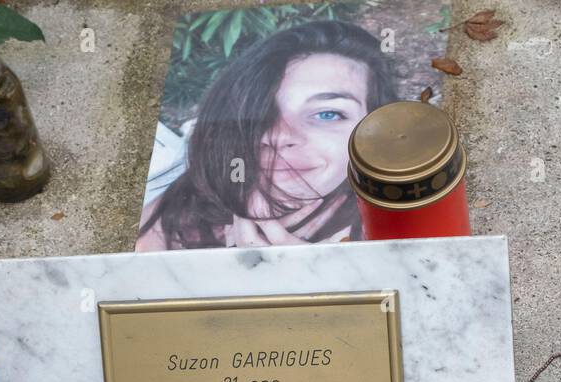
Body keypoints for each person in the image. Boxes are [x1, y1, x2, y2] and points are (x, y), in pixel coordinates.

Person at [137, 20, 398, 250]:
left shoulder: (406, 236)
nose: (278, 135)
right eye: (261, 113)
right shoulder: (181, 212)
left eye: (327, 114)